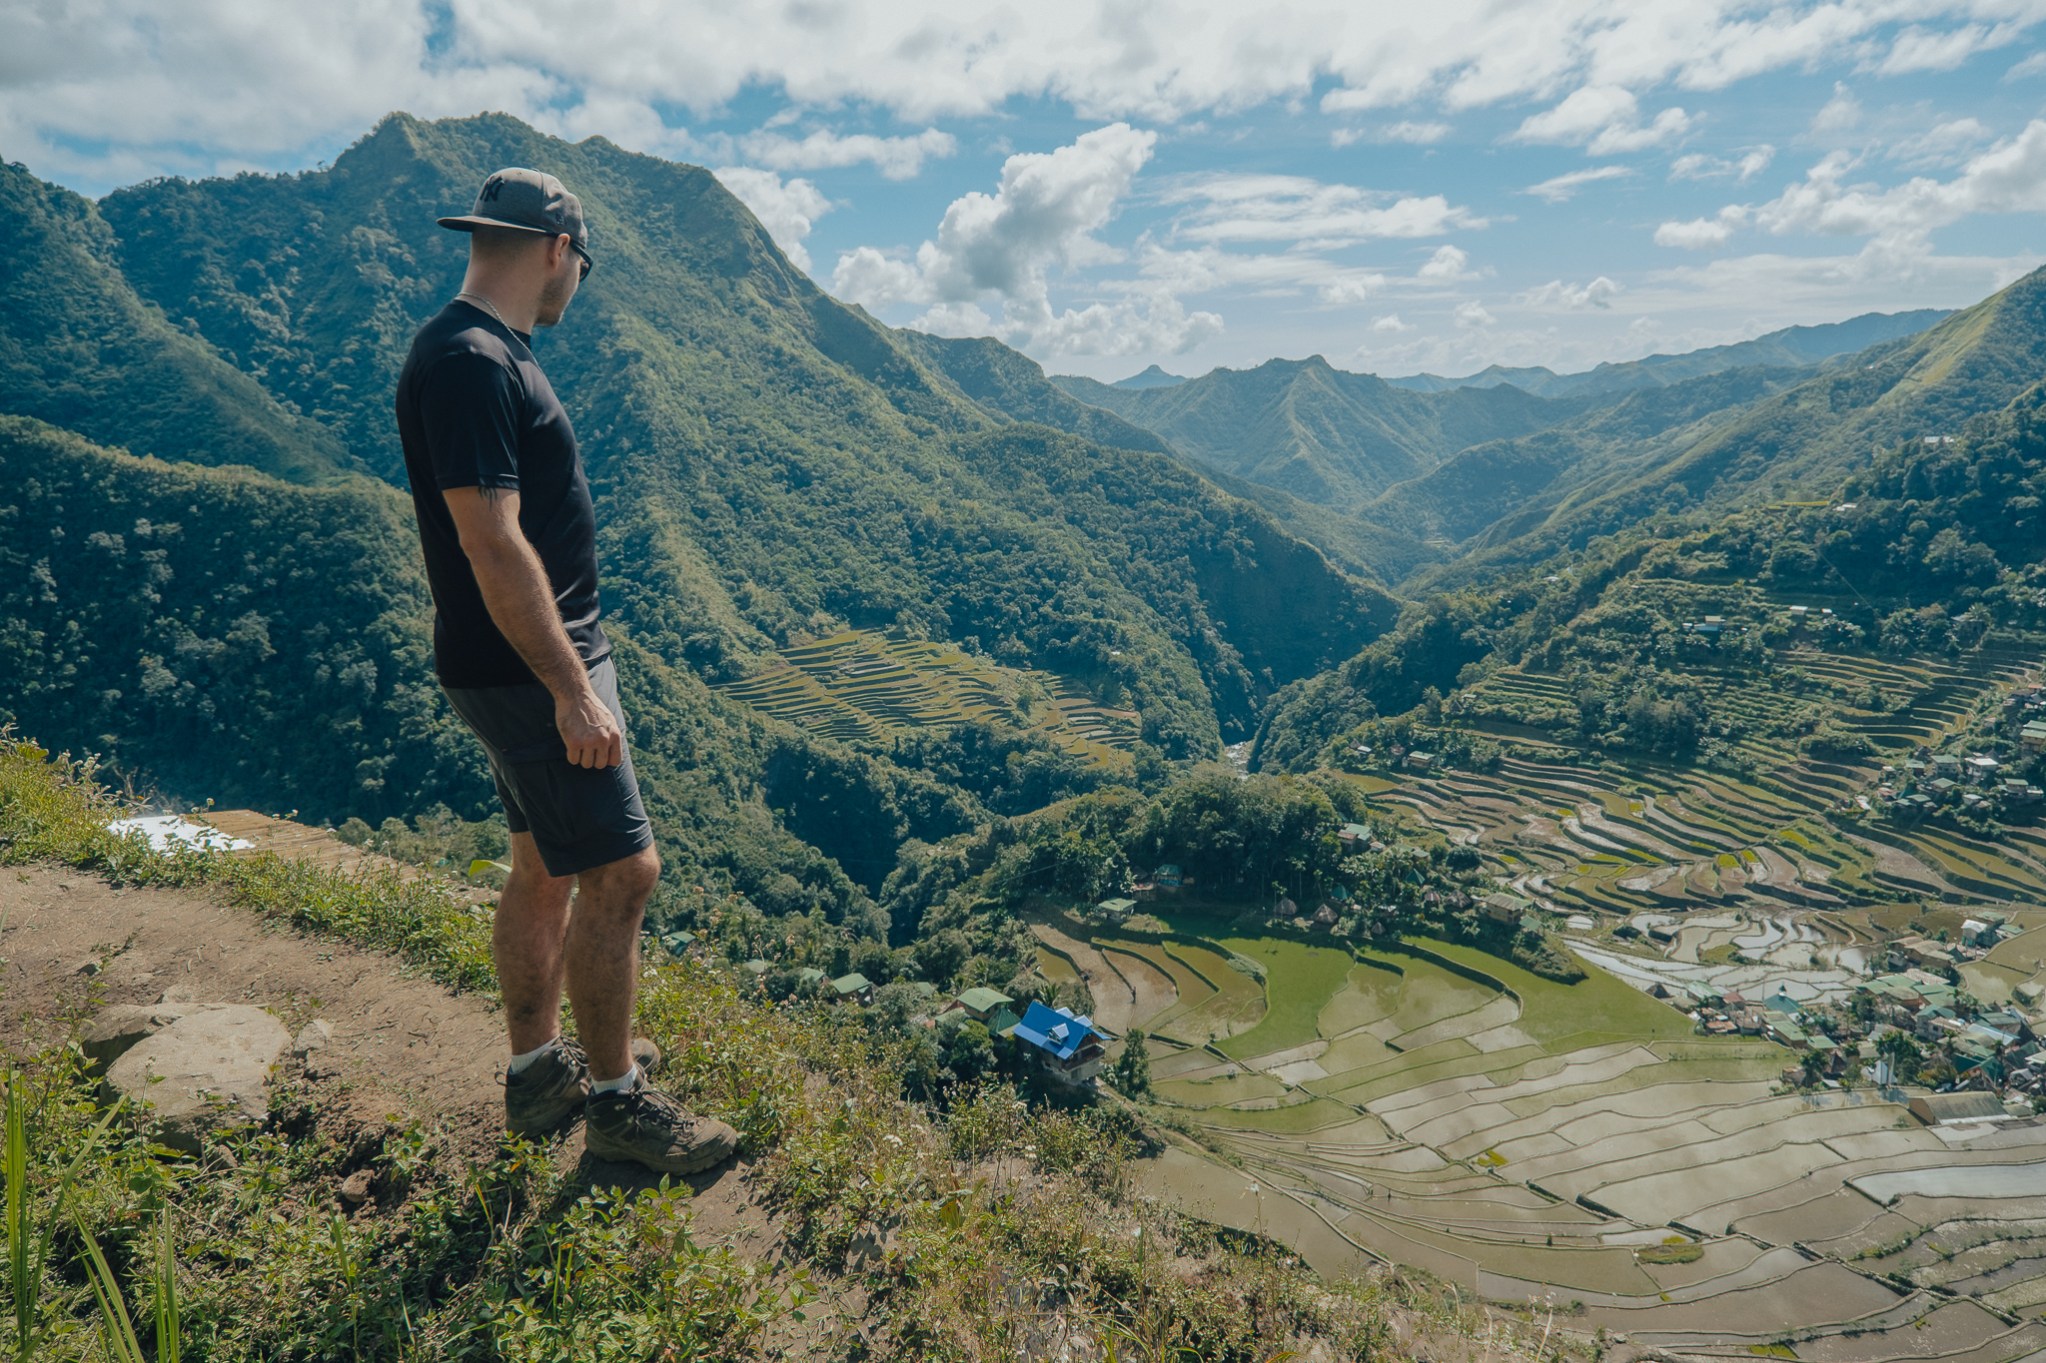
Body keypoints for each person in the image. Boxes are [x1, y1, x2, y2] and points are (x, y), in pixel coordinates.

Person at [393, 167, 737, 1175]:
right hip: (534, 670)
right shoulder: (468, 360)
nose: (575, 282)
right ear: (555, 250)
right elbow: (492, 544)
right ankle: (621, 1108)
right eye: (579, 264)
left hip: (519, 663)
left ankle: (541, 1072)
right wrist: (571, 688)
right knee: (625, 873)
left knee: (543, 867)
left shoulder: (481, 351)